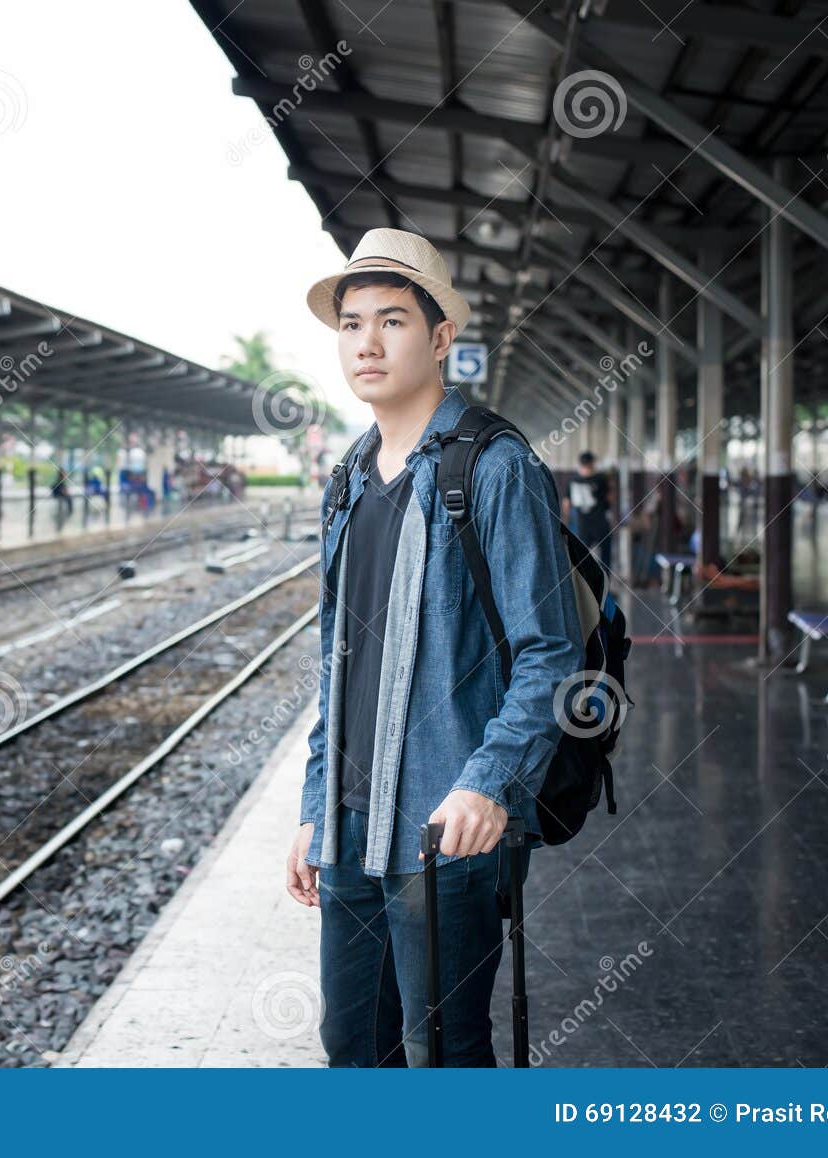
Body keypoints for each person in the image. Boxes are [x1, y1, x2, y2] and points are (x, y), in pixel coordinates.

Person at [285, 229, 582, 1067]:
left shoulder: (493, 467)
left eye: (391, 321)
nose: (366, 344)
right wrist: (315, 805)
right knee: (355, 1051)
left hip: (446, 830)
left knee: (447, 1052)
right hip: (349, 824)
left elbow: (550, 652)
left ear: (441, 336)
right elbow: (333, 659)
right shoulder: (345, 479)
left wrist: (491, 785)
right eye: (350, 325)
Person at [564, 450, 614, 570]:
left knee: (581, 558)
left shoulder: (573, 481)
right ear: (592, 463)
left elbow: (566, 503)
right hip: (600, 523)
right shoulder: (601, 479)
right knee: (605, 557)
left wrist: (567, 520)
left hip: (581, 524)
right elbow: (610, 499)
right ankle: (604, 583)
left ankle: (585, 585)